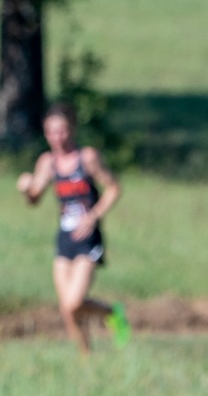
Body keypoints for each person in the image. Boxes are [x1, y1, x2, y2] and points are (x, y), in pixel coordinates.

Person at [16, 104, 128, 354]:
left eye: (62, 131)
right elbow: (35, 198)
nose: (57, 138)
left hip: (88, 238)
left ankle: (111, 313)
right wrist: (26, 189)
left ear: (72, 129)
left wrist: (93, 216)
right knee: (67, 308)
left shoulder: (87, 157)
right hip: (64, 237)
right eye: (51, 133)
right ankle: (86, 358)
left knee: (75, 301)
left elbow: (113, 188)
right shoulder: (47, 162)